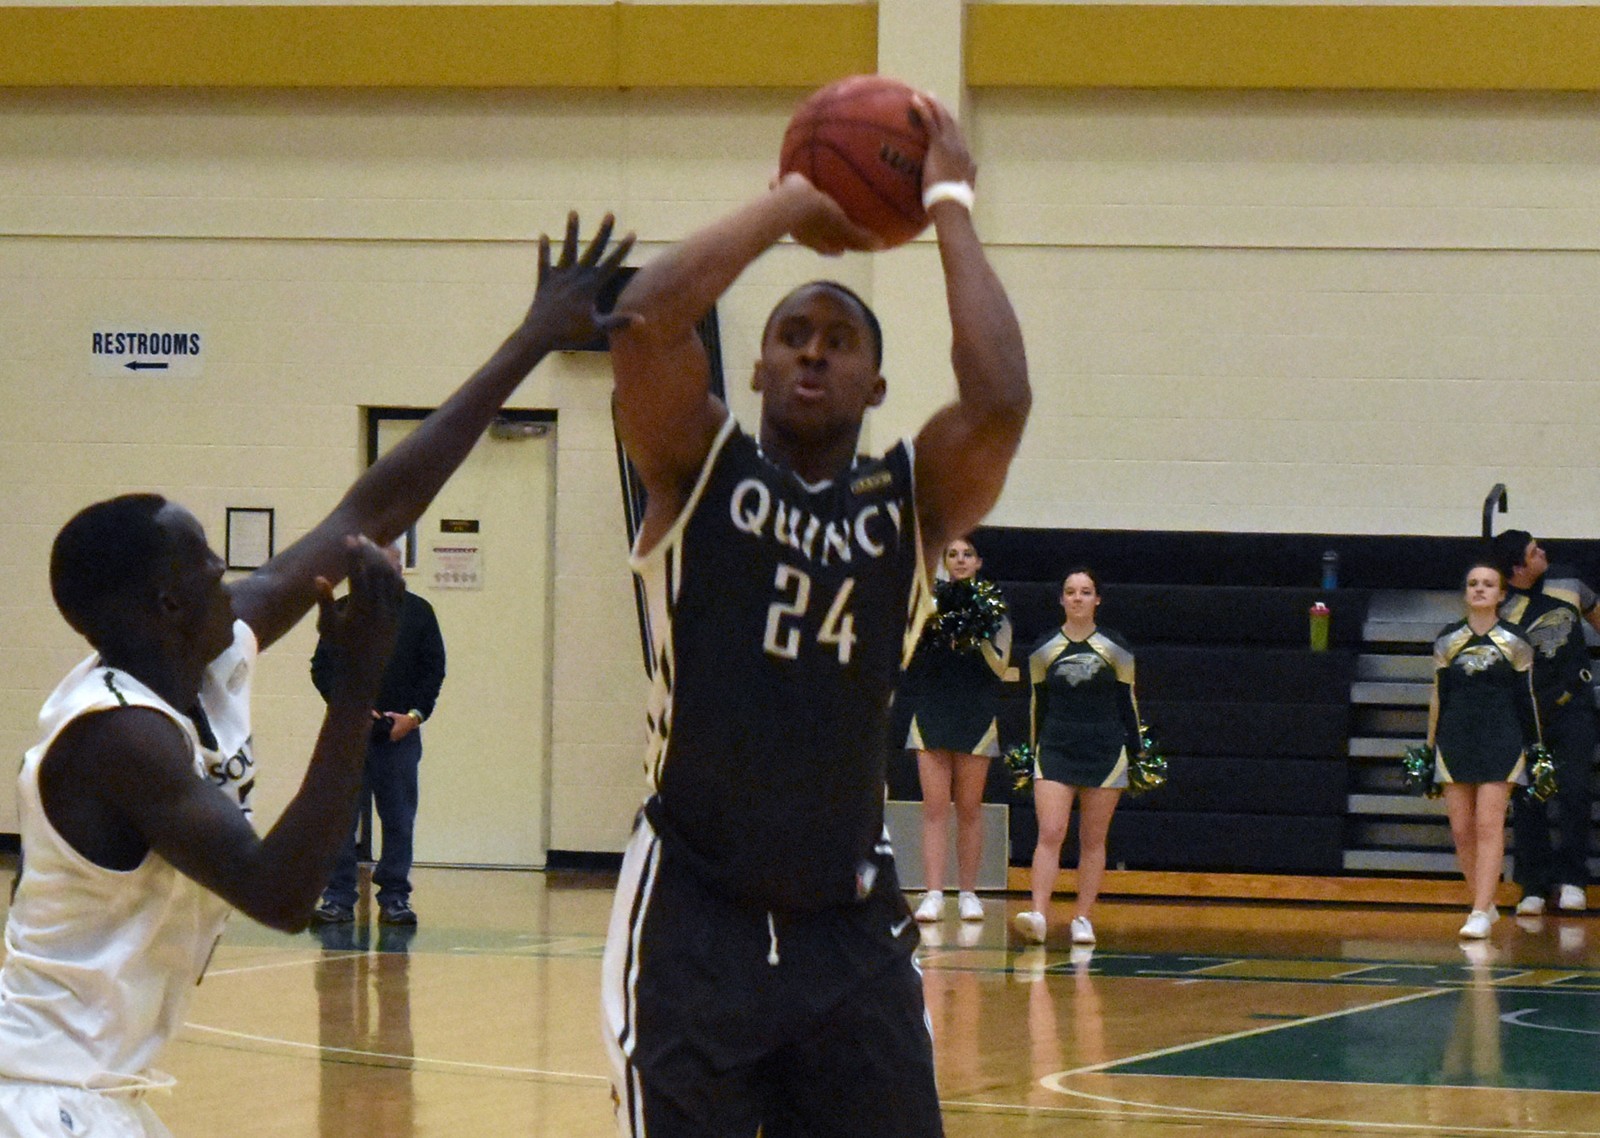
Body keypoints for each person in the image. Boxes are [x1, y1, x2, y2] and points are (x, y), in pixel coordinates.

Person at [0, 215, 632, 1137]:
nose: (233, 576)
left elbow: (369, 507)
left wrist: (531, 338)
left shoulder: (197, 658)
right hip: (43, 1100)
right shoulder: (117, 736)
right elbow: (281, 893)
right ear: (167, 607)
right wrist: (352, 689)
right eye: (209, 567)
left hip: (91, 1091)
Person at [600, 93, 1029, 1138]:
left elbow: (1000, 401)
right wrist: (788, 201)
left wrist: (950, 203)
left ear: (877, 383)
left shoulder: (909, 507)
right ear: (753, 366)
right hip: (695, 910)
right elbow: (645, 320)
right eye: (791, 334)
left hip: (850, 923)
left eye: (838, 340)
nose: (810, 352)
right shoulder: (695, 469)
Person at [310, 541, 446, 927]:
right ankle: (337, 898)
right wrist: (349, 707)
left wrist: (415, 716)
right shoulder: (340, 612)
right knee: (340, 820)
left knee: (398, 819)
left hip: (399, 734)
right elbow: (322, 669)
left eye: (395, 568)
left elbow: (433, 670)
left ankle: (395, 898)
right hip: (348, 735)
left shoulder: (419, 614)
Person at [1013, 568, 1142, 948]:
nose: (1077, 598)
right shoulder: (1042, 650)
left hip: (1104, 750)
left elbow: (1128, 705)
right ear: (1061, 599)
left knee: (1092, 839)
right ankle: (1038, 913)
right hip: (1055, 749)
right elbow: (1037, 706)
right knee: (1050, 832)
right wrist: (1033, 752)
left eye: (1086, 592)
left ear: (1098, 599)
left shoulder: (1117, 649)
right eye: (1070, 592)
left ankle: (1082, 917)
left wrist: (1134, 752)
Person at [1428, 559, 1543, 940]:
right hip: (1455, 738)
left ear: (1501, 594)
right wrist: (1429, 747)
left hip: (1501, 738)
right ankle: (1486, 902)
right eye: (1473, 583)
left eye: (1488, 584)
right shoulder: (1448, 639)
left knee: (1488, 823)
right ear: (1465, 592)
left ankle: (1478, 910)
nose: (1479, 589)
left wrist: (1536, 748)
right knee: (1461, 829)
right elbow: (1438, 697)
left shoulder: (1515, 640)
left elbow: (1527, 698)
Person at [902, 536, 1011, 924]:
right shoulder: (928, 604)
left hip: (975, 715)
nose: (960, 560)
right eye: (952, 554)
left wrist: (973, 632)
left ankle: (968, 892)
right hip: (932, 710)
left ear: (979, 562)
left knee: (969, 808)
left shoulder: (994, 610)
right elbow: (906, 653)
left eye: (967, 554)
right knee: (934, 809)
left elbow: (1000, 667)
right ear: (944, 561)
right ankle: (932, 892)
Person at [1490, 529, 1598, 915]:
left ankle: (1573, 878)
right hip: (1530, 713)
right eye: (1534, 552)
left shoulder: (1569, 584)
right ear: (1517, 568)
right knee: (1529, 797)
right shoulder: (1502, 605)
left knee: (1575, 790)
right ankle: (1533, 884)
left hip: (1575, 707)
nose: (1543, 553)